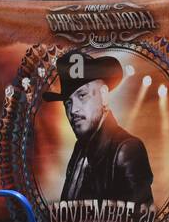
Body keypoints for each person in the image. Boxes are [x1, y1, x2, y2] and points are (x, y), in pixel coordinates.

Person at [48, 49, 154, 207]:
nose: (73, 110)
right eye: (68, 103)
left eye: (82, 95)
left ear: (104, 96)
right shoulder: (80, 149)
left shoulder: (127, 149)